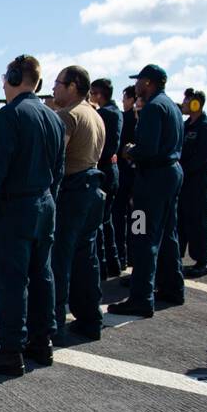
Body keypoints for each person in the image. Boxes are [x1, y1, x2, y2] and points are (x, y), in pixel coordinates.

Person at [0, 55, 64, 375]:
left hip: (16, 208)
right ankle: (42, 342)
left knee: (10, 279)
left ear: (11, 77)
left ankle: (9, 350)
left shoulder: (11, 116)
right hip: (45, 203)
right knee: (42, 274)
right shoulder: (54, 118)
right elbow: (59, 170)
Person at [108, 64, 184, 318]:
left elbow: (147, 149)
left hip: (152, 178)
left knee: (142, 237)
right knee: (168, 233)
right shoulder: (172, 106)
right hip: (170, 175)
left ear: (149, 82)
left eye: (139, 80)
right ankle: (173, 287)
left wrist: (130, 150)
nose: (136, 85)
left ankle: (141, 297)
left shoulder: (153, 108)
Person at [47, 66, 106, 343]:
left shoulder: (68, 116)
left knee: (59, 259)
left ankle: (54, 325)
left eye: (58, 83)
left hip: (71, 192)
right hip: (92, 190)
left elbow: (56, 160)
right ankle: (90, 319)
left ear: (72, 86)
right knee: (87, 259)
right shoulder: (95, 115)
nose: (54, 88)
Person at [178, 88, 207, 277]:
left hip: (196, 181)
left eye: (187, 101)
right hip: (183, 181)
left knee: (198, 221)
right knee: (181, 221)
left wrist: (183, 170)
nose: (185, 104)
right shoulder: (186, 126)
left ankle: (202, 261)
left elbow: (203, 158)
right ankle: (176, 258)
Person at [91, 78, 123, 279]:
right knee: (107, 221)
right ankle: (114, 263)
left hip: (103, 172)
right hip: (112, 171)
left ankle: (101, 266)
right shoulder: (116, 112)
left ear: (99, 94)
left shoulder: (103, 114)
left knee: (98, 223)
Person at [111, 84, 139, 274]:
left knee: (121, 217)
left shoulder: (127, 119)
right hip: (139, 179)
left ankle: (123, 255)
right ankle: (135, 257)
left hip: (128, 178)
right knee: (138, 221)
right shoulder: (141, 120)